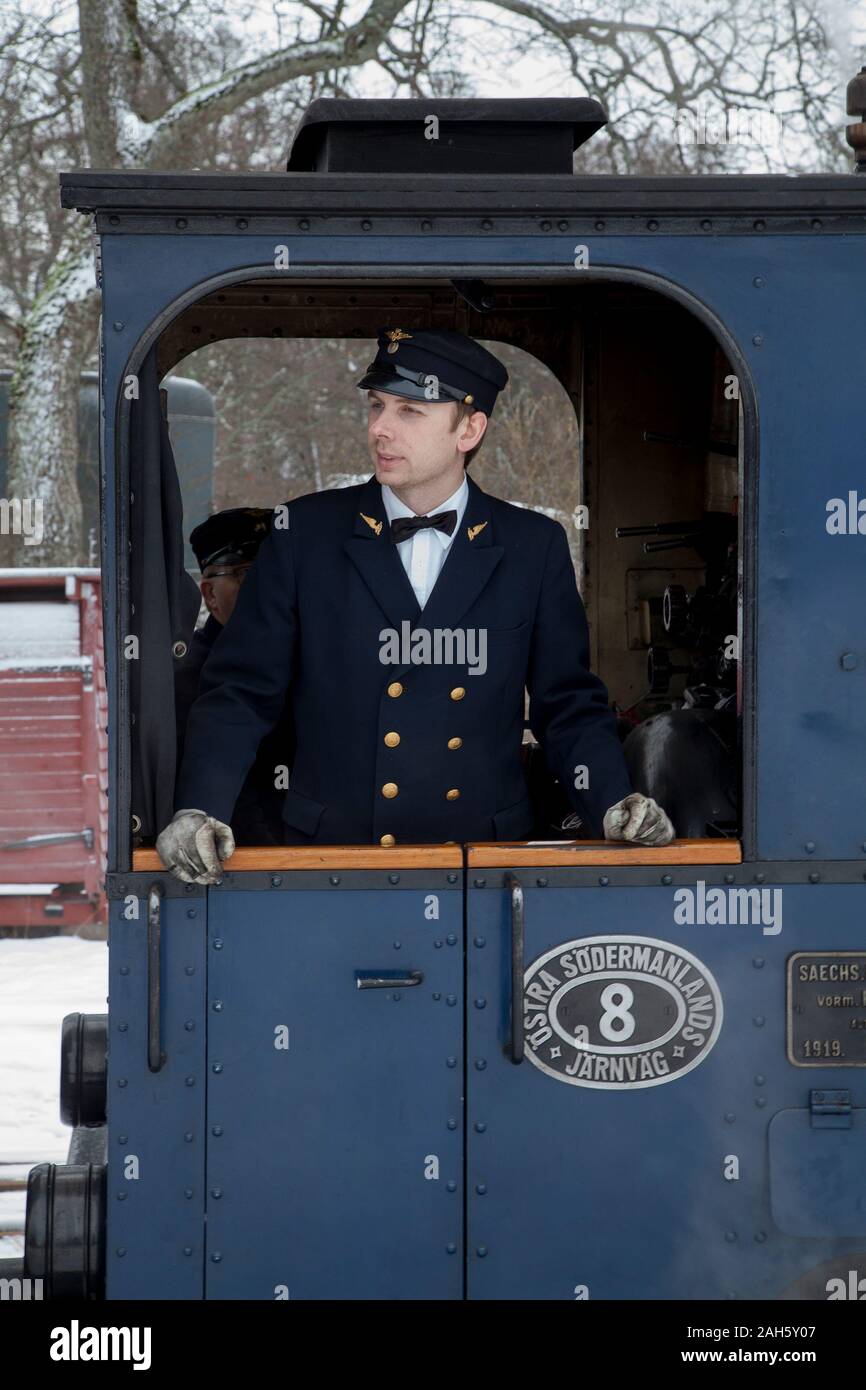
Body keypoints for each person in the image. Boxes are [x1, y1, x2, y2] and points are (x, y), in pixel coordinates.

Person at [158, 327, 674, 883]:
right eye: (378, 406)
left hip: (481, 861)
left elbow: (566, 702)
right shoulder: (304, 534)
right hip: (333, 858)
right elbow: (241, 693)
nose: (380, 427)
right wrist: (200, 807)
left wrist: (611, 801)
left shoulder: (533, 545)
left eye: (410, 411)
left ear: (469, 429)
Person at [174, 507, 293, 846]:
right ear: (210, 595)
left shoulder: (316, 660)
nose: (265, 588)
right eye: (245, 574)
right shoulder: (190, 682)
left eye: (273, 573)